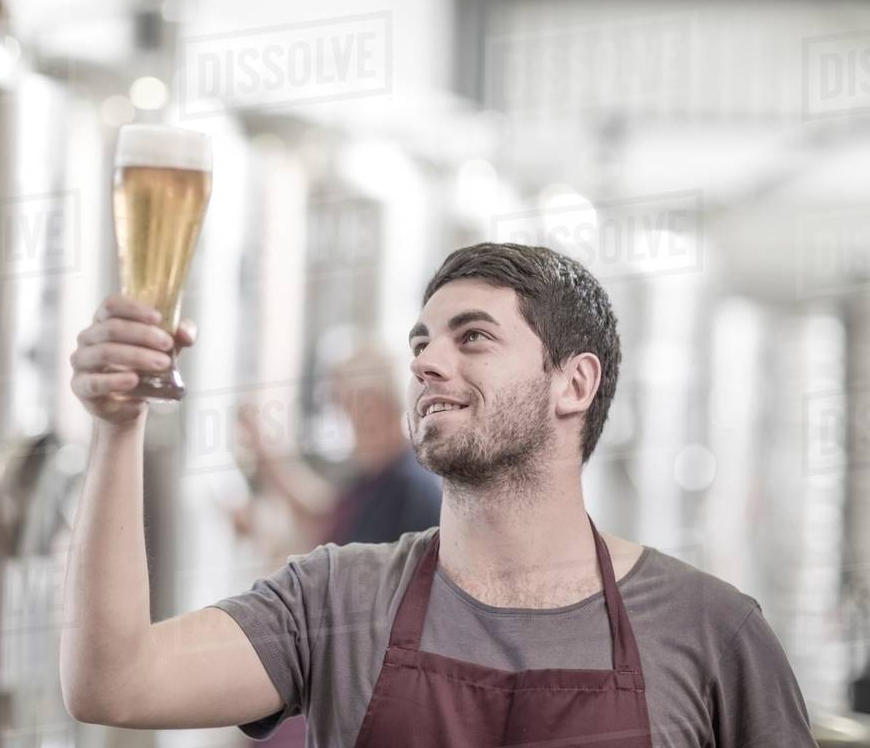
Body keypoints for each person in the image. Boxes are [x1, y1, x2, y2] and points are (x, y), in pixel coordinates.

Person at [61, 242, 818, 747]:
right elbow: (113, 683)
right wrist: (115, 428)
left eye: (473, 336)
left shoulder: (712, 633)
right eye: (421, 342)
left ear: (574, 382)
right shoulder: (334, 603)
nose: (426, 362)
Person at [231, 341, 442, 553]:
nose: (347, 423)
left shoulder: (408, 487)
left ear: (375, 406)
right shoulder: (378, 476)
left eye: (348, 408)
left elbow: (335, 551)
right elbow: (323, 516)